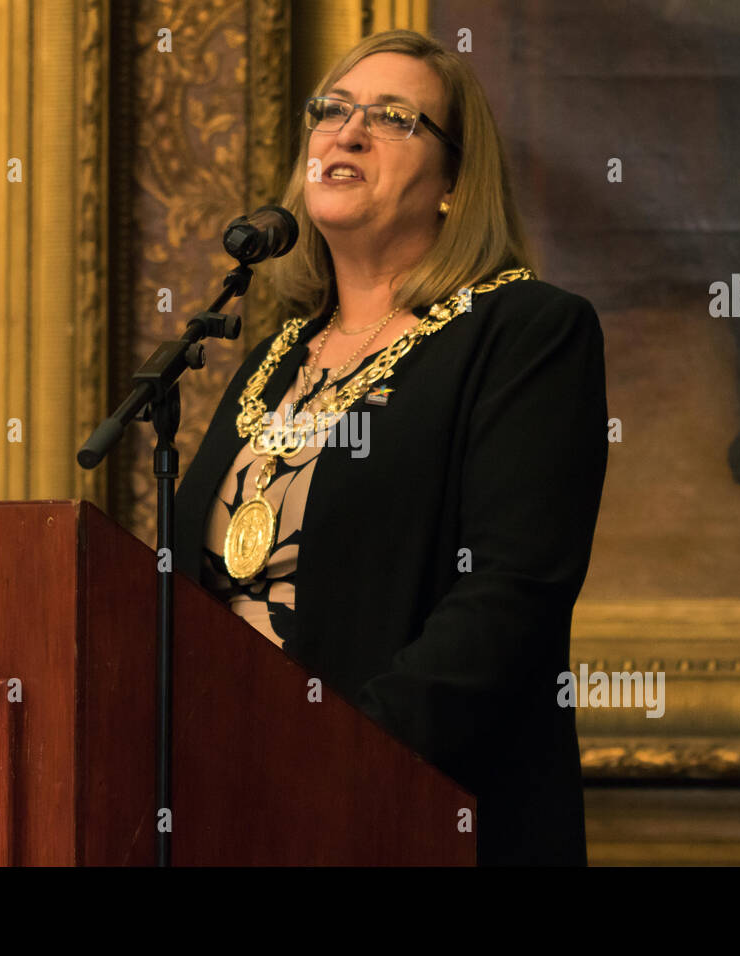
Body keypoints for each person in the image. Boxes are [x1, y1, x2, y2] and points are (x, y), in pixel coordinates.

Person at [173, 29, 608, 865]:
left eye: (394, 118)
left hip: (407, 813)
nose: (346, 132)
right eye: (331, 111)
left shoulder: (525, 332)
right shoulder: (278, 353)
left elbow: (510, 596)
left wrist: (340, 762)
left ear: (454, 181)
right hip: (226, 807)